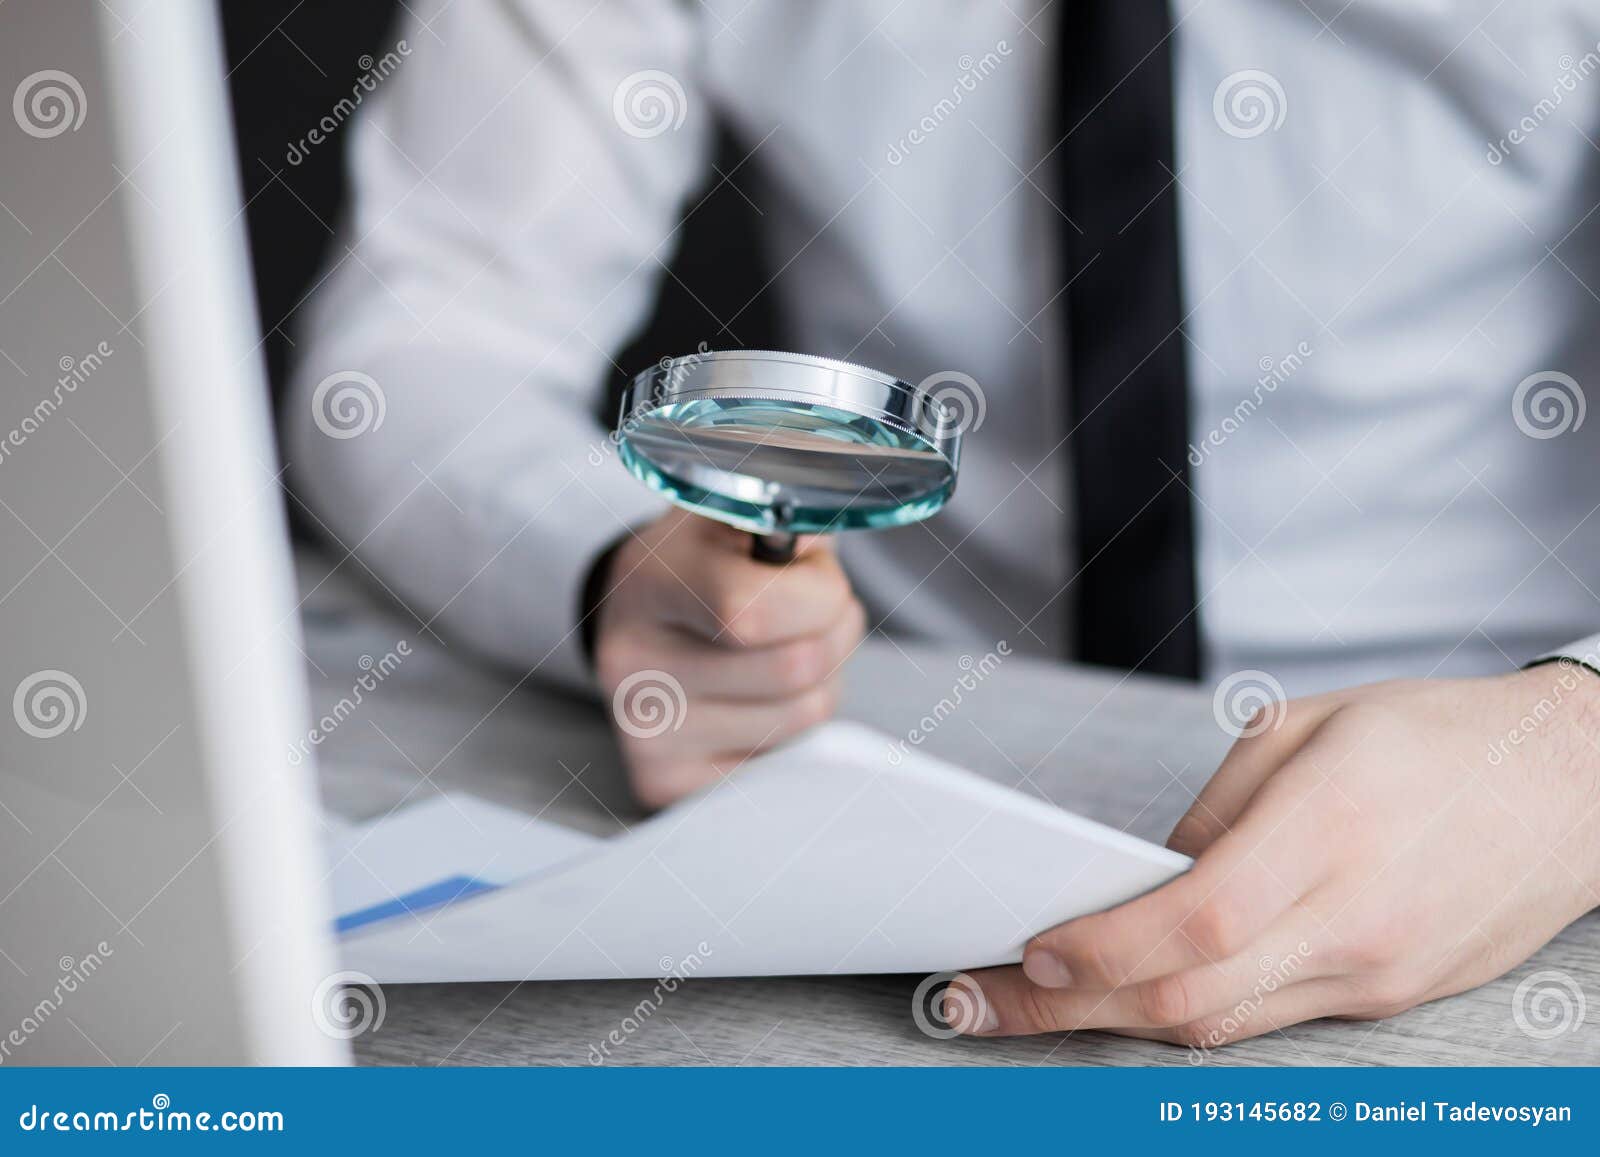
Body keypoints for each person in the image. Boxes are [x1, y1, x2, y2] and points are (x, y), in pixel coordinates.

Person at [285, 1, 1600, 1046]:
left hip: (1484, 807)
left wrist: (1571, 749)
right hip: (900, 771)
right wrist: (610, 568)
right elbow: (421, 342)